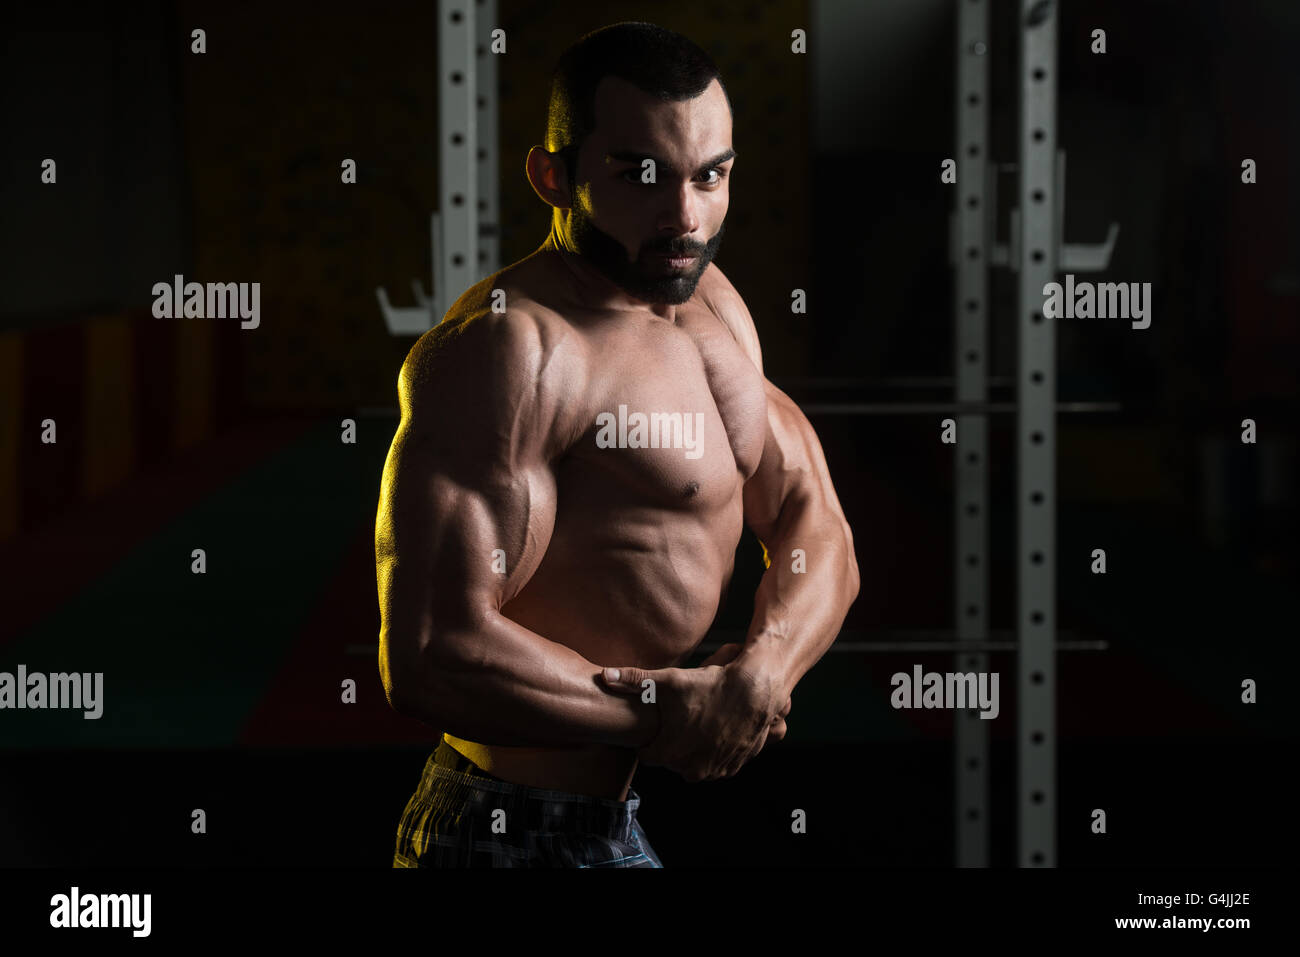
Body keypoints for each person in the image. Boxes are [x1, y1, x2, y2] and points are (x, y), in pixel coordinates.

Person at [378, 21, 859, 867]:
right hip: (510, 825)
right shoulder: (513, 352)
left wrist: (762, 672)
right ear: (553, 176)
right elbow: (430, 653)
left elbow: (814, 520)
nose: (685, 216)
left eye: (710, 177)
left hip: (613, 816)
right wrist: (665, 716)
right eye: (642, 176)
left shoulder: (712, 308)